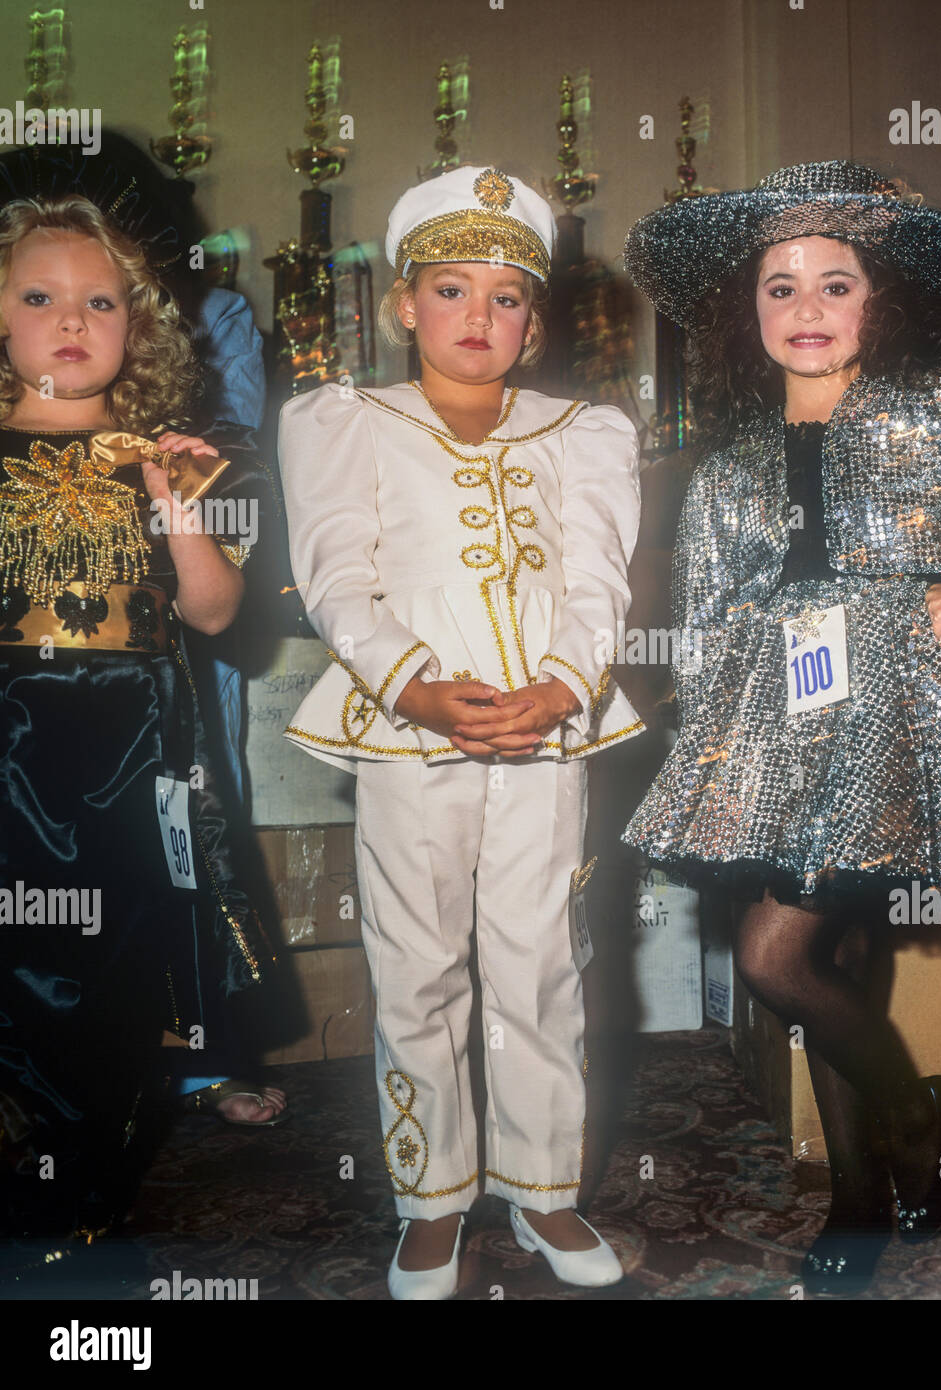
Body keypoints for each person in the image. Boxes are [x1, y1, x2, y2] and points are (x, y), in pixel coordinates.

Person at [619, 161, 941, 1290]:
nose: (805, 310)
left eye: (834, 283)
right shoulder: (730, 464)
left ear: (881, 299)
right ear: (739, 311)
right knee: (834, 955)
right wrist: (711, 763)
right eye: (778, 287)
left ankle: (917, 1117)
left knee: (777, 952)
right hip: (774, 724)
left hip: (894, 707)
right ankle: (859, 1198)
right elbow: (703, 623)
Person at [279, 164, 644, 1299]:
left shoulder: (583, 430)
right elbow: (337, 579)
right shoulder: (344, 420)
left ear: (533, 320)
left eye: (504, 295)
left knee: (540, 960)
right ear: (404, 303)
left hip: (544, 730)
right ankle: (430, 1201)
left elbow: (599, 584)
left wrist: (562, 683)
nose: (476, 317)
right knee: (419, 963)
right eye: (449, 289)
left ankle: (543, 1191)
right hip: (413, 731)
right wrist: (414, 686)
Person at [0, 193, 275, 1271]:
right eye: (39, 296)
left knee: (123, 960)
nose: (71, 318)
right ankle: (41, 1168)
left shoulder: (167, 458)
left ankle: (93, 1181)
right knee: (24, 961)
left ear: (140, 324)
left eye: (100, 300)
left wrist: (174, 498)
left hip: (131, 753)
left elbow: (212, 614)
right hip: (13, 747)